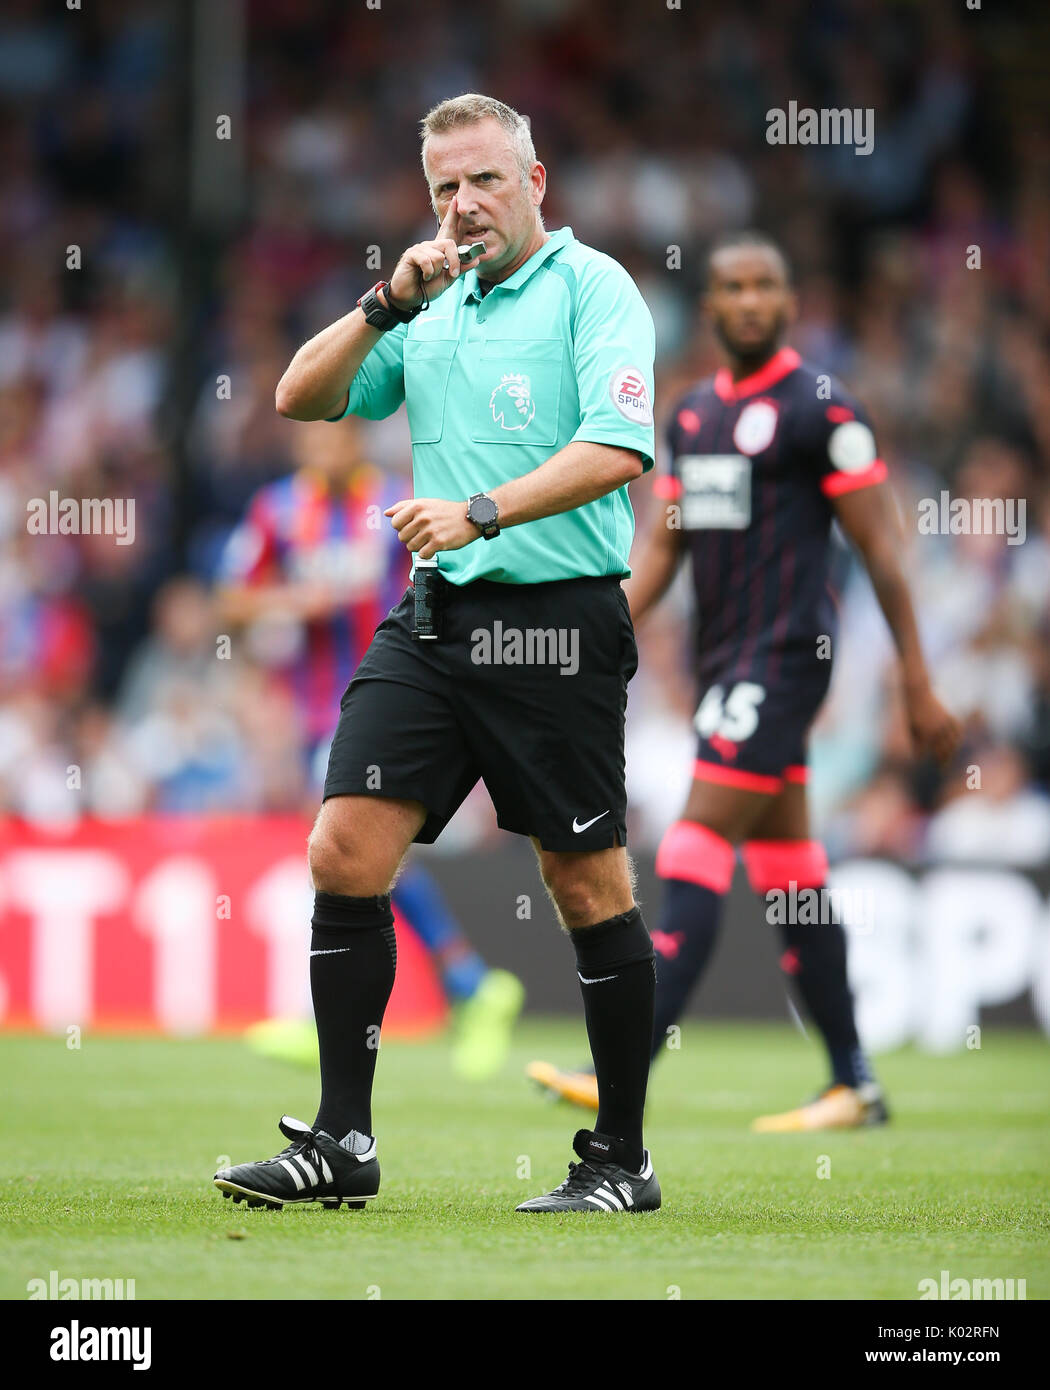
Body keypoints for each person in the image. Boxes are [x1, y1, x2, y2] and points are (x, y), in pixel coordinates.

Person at [215, 93, 661, 1214]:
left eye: (485, 181)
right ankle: (342, 1138)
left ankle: (619, 1158)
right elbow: (299, 395)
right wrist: (384, 300)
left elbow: (619, 448)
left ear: (536, 181)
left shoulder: (592, 288)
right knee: (343, 849)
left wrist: (481, 510)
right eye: (445, 189)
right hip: (435, 619)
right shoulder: (431, 303)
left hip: (556, 619)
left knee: (586, 881)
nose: (465, 207)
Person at [528, 232, 960, 1131]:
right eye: (734, 287)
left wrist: (917, 678)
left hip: (789, 661)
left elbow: (883, 549)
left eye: (768, 284)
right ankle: (853, 1081)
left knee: (690, 845)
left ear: (791, 301)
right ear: (713, 307)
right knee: (789, 870)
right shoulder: (691, 419)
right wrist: (600, 636)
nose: (752, 299)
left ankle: (624, 1067)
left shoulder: (823, 410)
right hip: (726, 668)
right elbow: (664, 548)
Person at [216, 417, 525, 1079]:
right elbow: (232, 599)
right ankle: (469, 982)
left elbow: (441, 581)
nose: (325, 448)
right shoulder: (277, 509)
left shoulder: (391, 505)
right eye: (314, 438)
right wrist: (297, 600)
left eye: (338, 437)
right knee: (356, 852)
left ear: (357, 442)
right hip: (307, 706)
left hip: (380, 695)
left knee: (342, 845)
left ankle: (354, 1009)